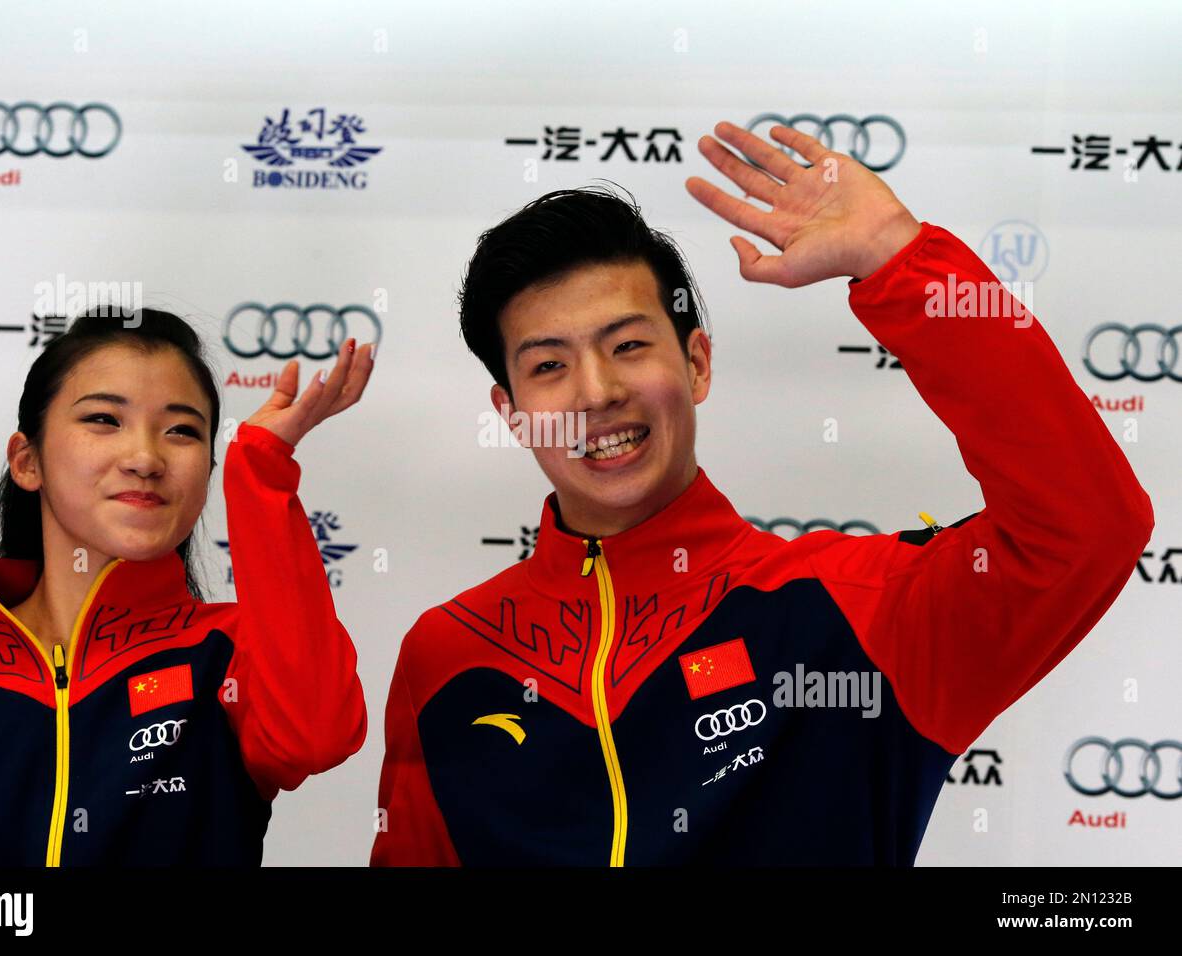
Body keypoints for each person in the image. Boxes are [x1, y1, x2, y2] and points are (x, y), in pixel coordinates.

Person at [370, 123, 1153, 865]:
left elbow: (1086, 527)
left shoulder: (855, 613)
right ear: (511, 413)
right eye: (548, 366)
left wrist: (895, 258)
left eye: (629, 346)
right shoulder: (447, 657)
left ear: (698, 363)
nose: (598, 391)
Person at [0, 307, 374, 865]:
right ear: (27, 460)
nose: (145, 458)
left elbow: (316, 736)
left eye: (182, 431)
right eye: (103, 420)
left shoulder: (227, 654)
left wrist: (260, 470)